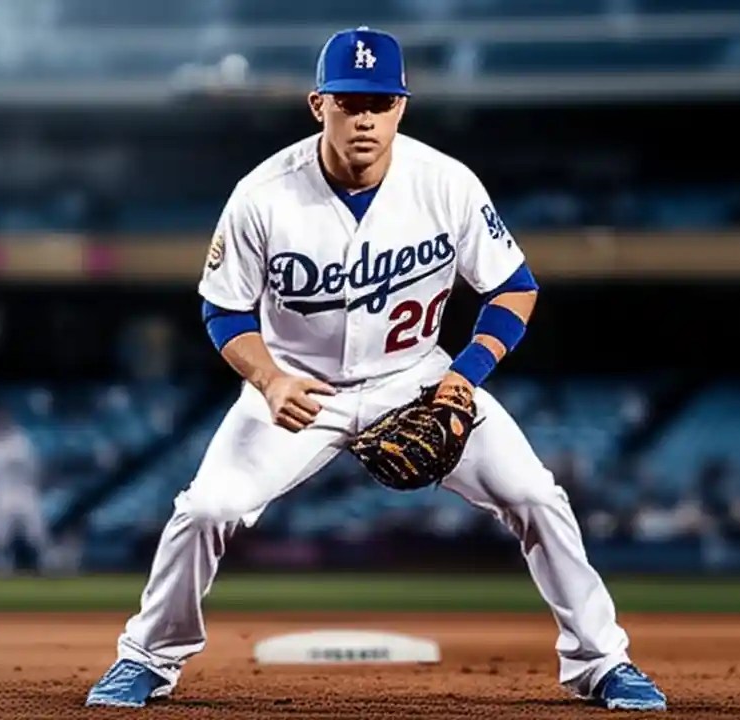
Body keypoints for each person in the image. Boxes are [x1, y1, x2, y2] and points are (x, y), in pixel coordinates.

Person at [85, 27, 666, 712]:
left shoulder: (445, 184)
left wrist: (468, 373)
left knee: (537, 497)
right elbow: (223, 311)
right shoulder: (263, 195)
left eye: (381, 101)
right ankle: (147, 659)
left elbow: (514, 286)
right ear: (317, 104)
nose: (364, 118)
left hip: (418, 376)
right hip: (297, 386)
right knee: (204, 509)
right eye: (350, 101)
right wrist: (269, 379)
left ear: (401, 108)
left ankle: (602, 662)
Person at [0, 404, 48, 576]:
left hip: (25, 492)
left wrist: (16, 466)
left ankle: (44, 569)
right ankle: (0, 572)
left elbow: (33, 466)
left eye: (3, 420)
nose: (0, 424)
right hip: (2, 494)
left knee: (37, 535)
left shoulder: (21, 439)